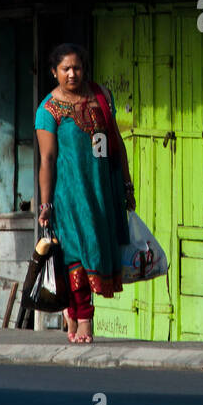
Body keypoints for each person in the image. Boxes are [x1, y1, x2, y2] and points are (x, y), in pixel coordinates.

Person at [34, 43, 135, 343]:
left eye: (77, 67)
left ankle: (74, 314)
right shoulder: (48, 110)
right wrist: (45, 203)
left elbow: (115, 141)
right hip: (68, 195)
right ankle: (83, 322)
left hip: (101, 191)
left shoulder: (100, 98)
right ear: (54, 72)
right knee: (77, 255)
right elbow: (47, 159)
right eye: (65, 69)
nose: (72, 73)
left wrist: (126, 186)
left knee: (96, 251)